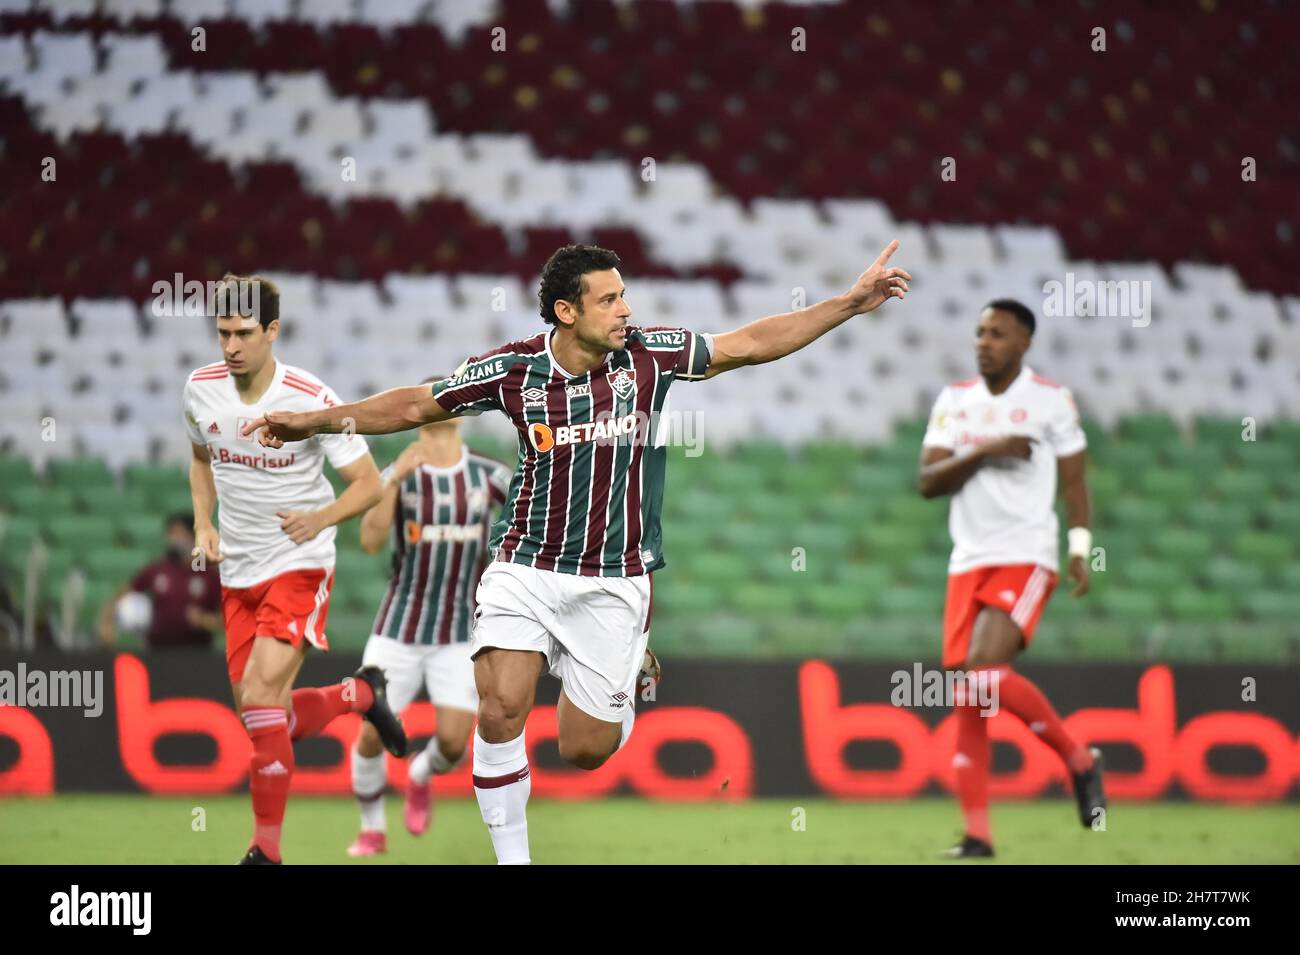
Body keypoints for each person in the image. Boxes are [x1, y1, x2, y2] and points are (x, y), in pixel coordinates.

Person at [245, 241, 911, 864]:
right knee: (501, 704)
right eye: (609, 299)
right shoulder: (515, 369)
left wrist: (848, 303)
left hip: (614, 579)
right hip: (524, 564)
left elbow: (752, 342)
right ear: (567, 311)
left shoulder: (651, 355)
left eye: (625, 296)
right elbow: (420, 402)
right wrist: (312, 420)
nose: (627, 310)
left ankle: (626, 677)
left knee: (583, 749)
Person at [184, 273, 407, 865]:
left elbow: (369, 485)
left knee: (260, 696)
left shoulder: (310, 397)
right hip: (239, 574)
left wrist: (321, 518)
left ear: (272, 332)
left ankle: (266, 851)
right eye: (222, 333)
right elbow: (200, 460)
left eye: (243, 333)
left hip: (300, 563)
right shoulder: (200, 389)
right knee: (267, 719)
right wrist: (204, 523)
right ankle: (357, 693)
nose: (230, 346)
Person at [917, 298, 1106, 859]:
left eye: (997, 334)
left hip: (1025, 552)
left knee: (982, 671)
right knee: (970, 696)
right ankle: (978, 836)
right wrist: (989, 447)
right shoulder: (955, 402)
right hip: (966, 559)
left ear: (1024, 342)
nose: (984, 342)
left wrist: (1080, 547)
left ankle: (1077, 758)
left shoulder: (1050, 401)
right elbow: (928, 481)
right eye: (979, 332)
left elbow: (1074, 483)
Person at [346, 411, 511, 856]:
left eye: (447, 417)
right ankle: (372, 828)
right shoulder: (399, 473)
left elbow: (528, 512)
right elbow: (370, 541)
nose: (439, 424)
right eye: (430, 418)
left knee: (455, 744)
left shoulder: (487, 474)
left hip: (459, 630)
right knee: (369, 733)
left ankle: (420, 774)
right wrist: (394, 481)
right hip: (398, 626)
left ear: (460, 420)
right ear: (417, 423)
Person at [98, 513, 222, 650]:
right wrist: (106, 624)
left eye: (178, 534)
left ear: (194, 537)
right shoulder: (157, 569)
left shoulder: (210, 576)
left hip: (198, 652)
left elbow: (227, 620)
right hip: (157, 651)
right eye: (171, 534)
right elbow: (119, 595)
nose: (173, 539)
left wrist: (205, 620)